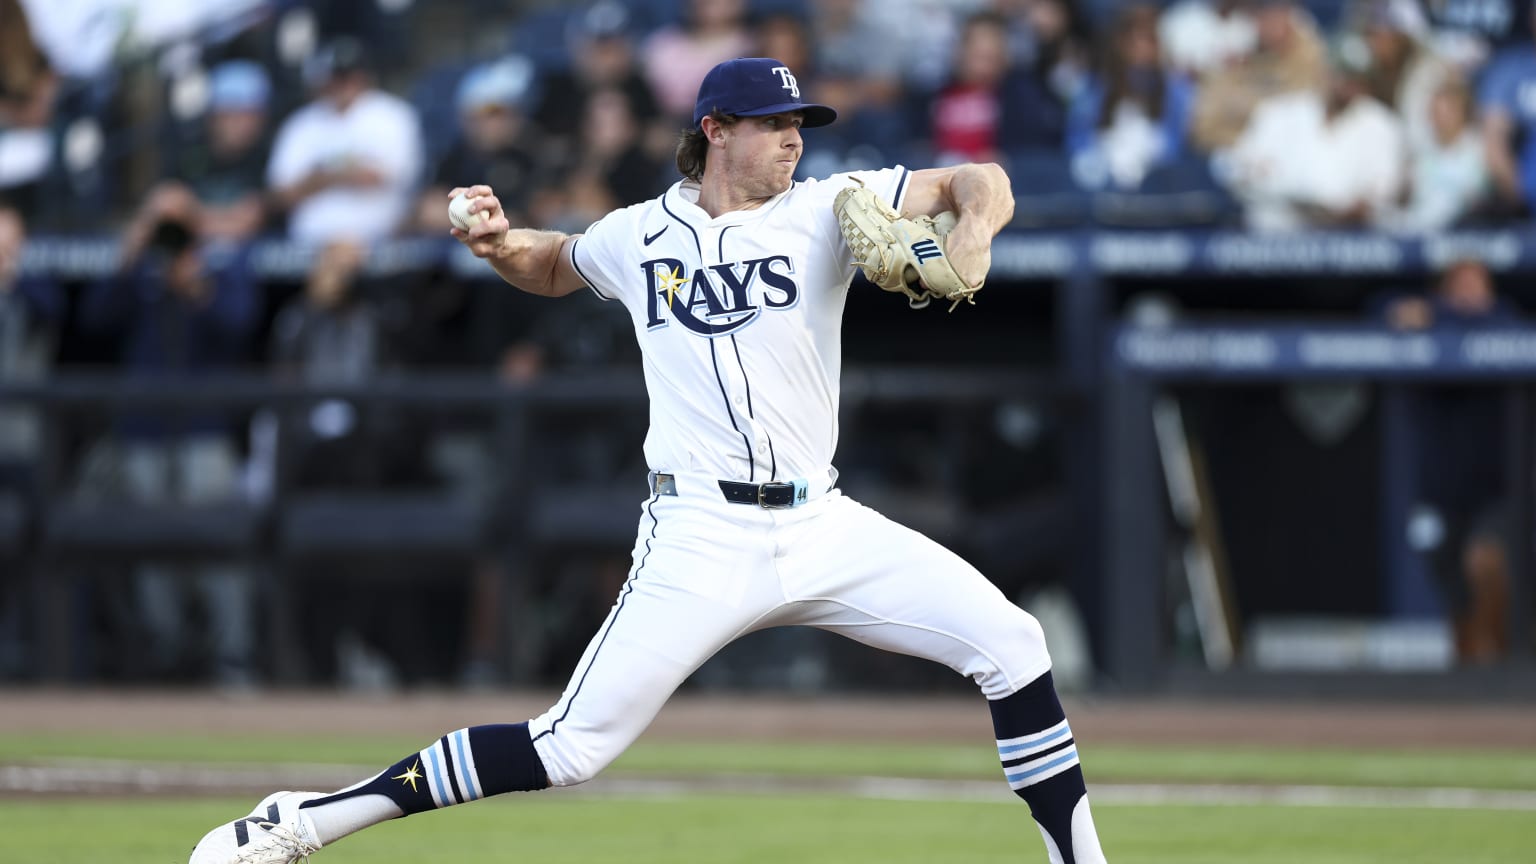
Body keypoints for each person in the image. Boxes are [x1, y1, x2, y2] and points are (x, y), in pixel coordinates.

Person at [188, 56, 1110, 864]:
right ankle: (301, 821)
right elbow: (556, 261)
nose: (794, 139)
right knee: (567, 748)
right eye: (773, 124)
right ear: (716, 129)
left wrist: (972, 234)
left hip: (821, 522)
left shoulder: (829, 206)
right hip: (700, 531)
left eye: (800, 123)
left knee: (1014, 646)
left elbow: (981, 178)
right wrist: (500, 244)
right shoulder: (640, 233)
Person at [1382, 259, 1515, 663]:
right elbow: (1382, 312)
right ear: (1442, 293)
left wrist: (1445, 316)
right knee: (1456, 596)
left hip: (1497, 488)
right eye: (1461, 286)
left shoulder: (1504, 327)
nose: (1471, 295)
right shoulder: (1424, 336)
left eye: (1479, 285)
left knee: (1485, 561)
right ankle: (1471, 673)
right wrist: (1432, 317)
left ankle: (1498, 660)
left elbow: (1507, 319)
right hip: (1440, 491)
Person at [265, 36, 422, 245]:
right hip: (306, 241)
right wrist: (348, 172)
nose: (342, 84)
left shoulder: (392, 114)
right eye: (335, 77)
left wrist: (318, 177)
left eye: (348, 76)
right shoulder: (301, 123)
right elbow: (282, 195)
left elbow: (379, 177)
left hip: (375, 238)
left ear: (364, 76)